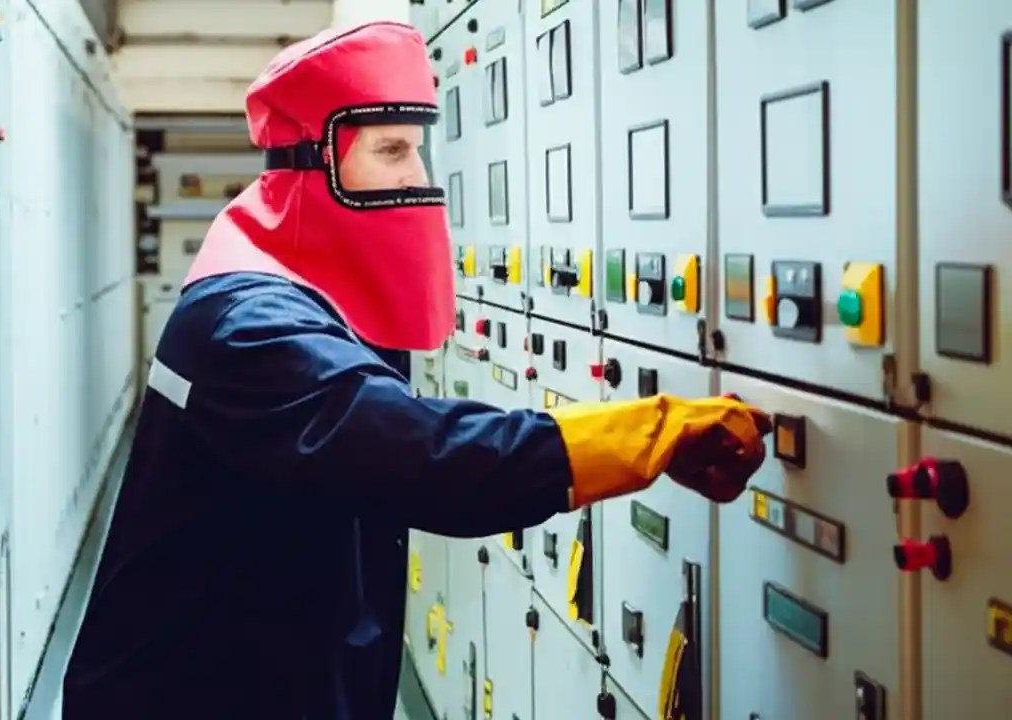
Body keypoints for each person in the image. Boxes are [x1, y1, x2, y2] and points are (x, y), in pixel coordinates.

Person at [62, 20, 772, 719]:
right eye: (393, 150)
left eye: (419, 151)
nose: (421, 179)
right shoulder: (246, 325)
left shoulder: (290, 298)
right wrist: (653, 433)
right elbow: (429, 458)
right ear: (316, 167)